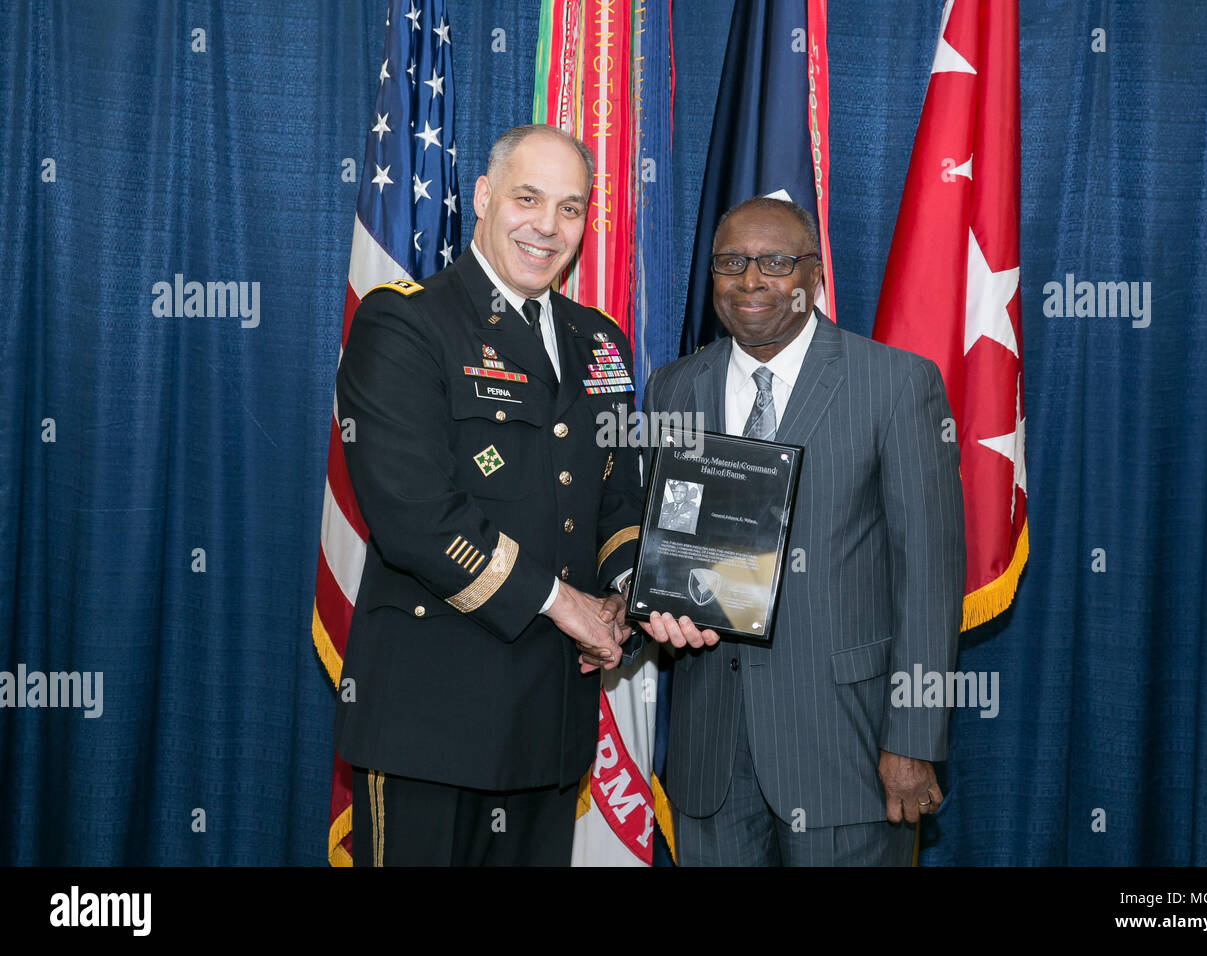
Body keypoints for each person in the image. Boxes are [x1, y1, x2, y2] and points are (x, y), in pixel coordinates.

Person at [333, 124, 643, 866]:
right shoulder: (406, 321)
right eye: (528, 198)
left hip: (552, 718)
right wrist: (569, 605)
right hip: (431, 720)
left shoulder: (600, 342)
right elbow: (415, 518)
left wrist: (630, 589)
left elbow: (619, 493)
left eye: (570, 208)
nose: (547, 225)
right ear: (483, 197)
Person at [639, 197, 965, 866]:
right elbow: (660, 542)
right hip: (710, 756)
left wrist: (912, 738)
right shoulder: (672, 389)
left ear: (813, 275)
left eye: (776, 262)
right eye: (731, 262)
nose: (751, 281)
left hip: (846, 747)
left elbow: (929, 576)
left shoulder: (895, 384)